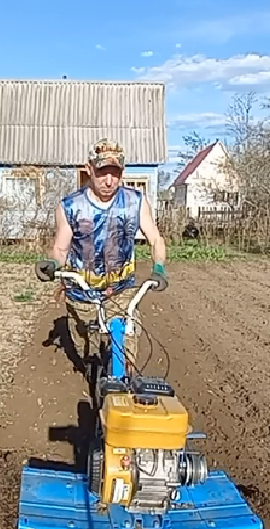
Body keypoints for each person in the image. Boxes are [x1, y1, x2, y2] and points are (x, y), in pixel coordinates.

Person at [36, 138, 168, 375]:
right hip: (81, 292)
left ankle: (122, 381)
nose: (109, 181)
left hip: (122, 290)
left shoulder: (135, 202)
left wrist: (159, 268)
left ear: (122, 172)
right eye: (102, 172)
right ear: (89, 169)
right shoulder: (70, 206)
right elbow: (61, 248)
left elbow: (155, 239)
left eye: (115, 173)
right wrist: (53, 264)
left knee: (125, 351)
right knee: (88, 352)